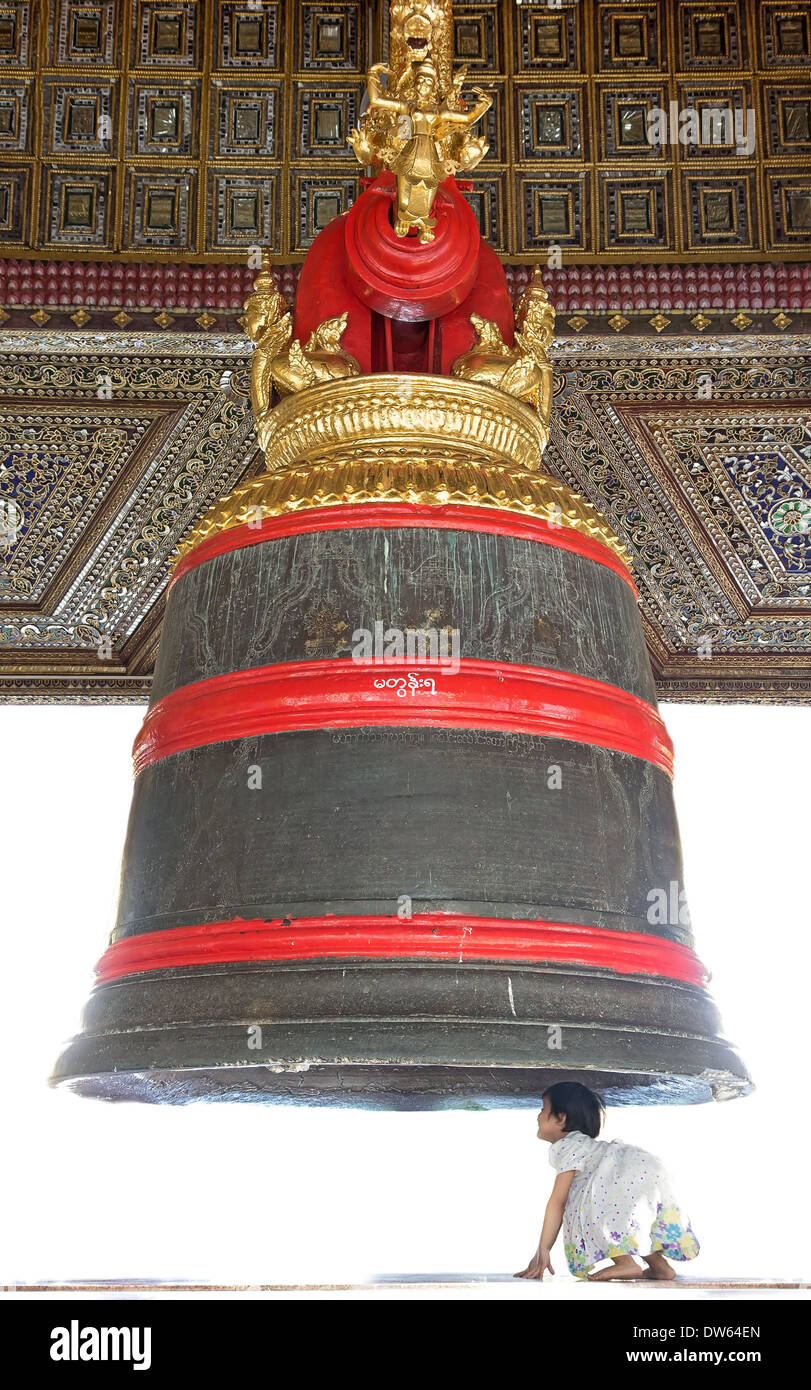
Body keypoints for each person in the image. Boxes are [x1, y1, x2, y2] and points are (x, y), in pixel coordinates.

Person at [515, 1081, 700, 1281]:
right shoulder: (584, 1146)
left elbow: (558, 1202)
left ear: (561, 1118)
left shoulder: (567, 1146)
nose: (538, 1115)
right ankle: (659, 1267)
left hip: (622, 1175)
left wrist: (543, 1248)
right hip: (641, 1168)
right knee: (625, 1217)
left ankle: (625, 1263)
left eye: (543, 1109)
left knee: (586, 1205)